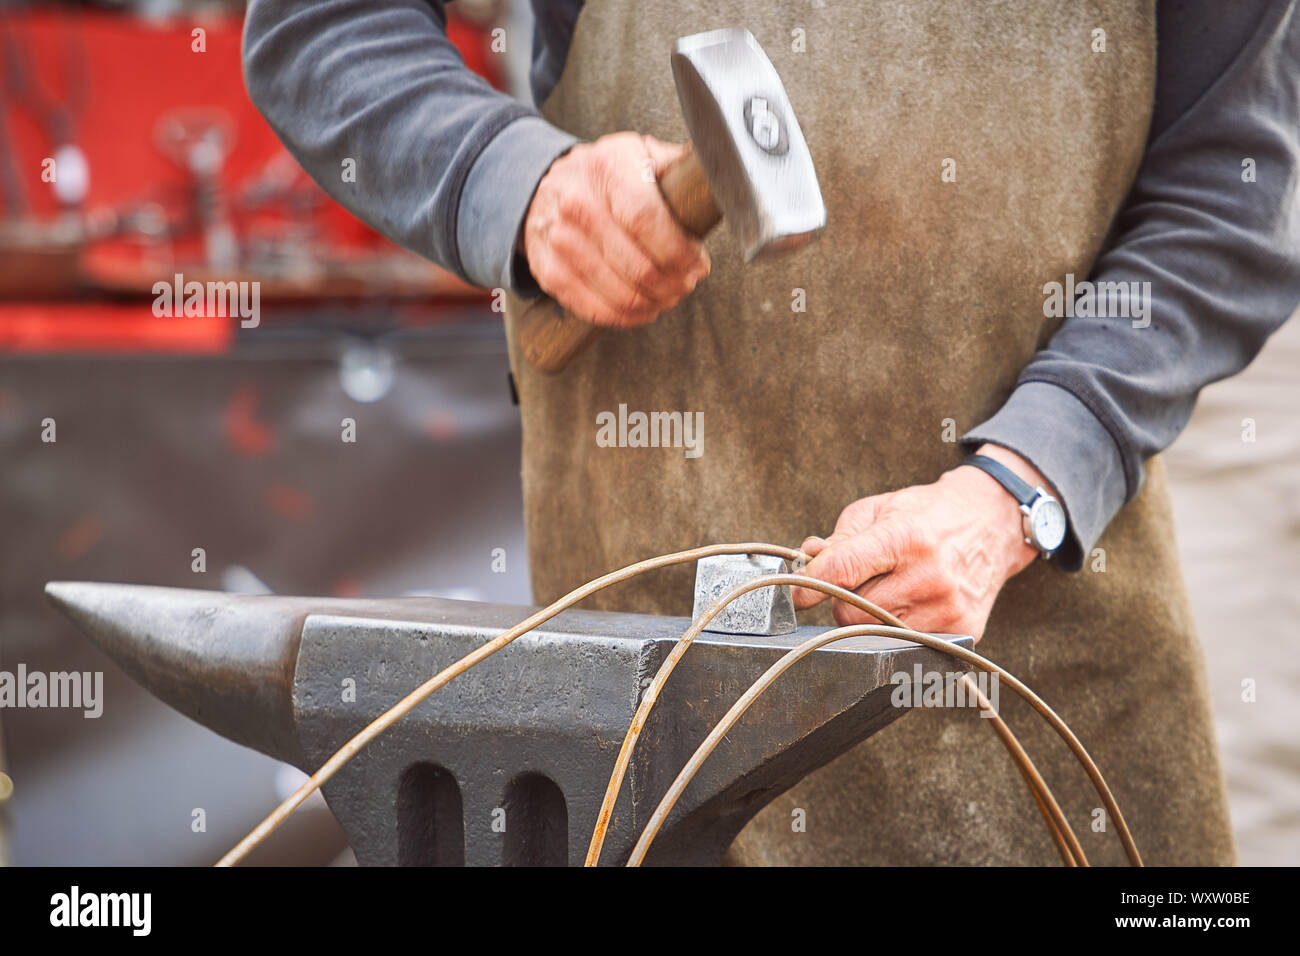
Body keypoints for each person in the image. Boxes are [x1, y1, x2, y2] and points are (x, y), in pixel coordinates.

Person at [243, 0, 1300, 864]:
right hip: (647, 677)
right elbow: (321, 28)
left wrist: (1025, 484)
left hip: (1032, 666)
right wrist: (514, 182)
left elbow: (1230, 192)